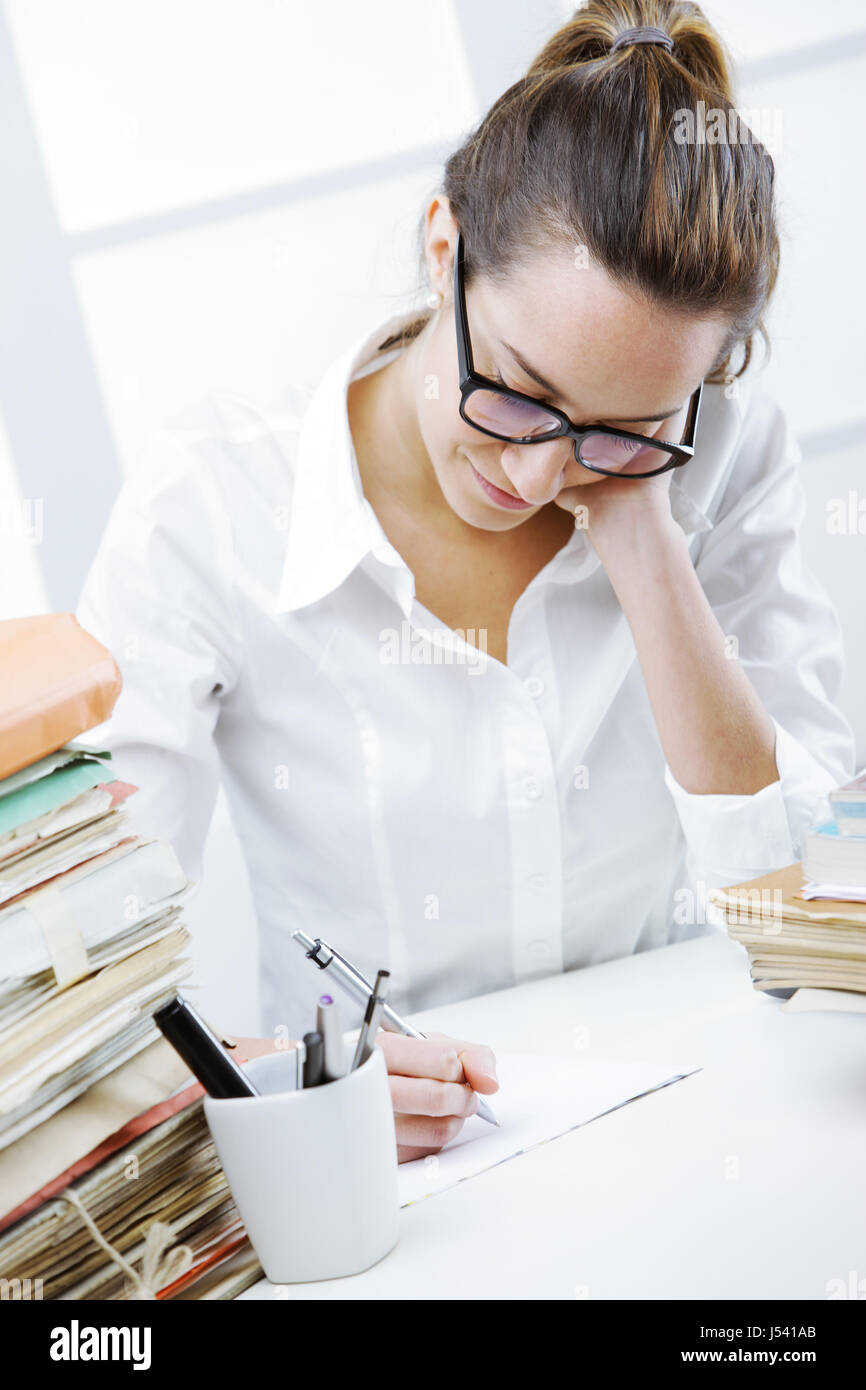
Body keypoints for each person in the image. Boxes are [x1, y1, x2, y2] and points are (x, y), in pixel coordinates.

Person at [76, 0, 855, 1164]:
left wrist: (641, 524)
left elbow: (791, 917)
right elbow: (80, 957)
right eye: (517, 389)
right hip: (376, 1174)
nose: (538, 472)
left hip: (695, 1124)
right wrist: (286, 1087)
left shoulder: (716, 461)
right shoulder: (214, 506)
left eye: (619, 423)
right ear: (444, 246)